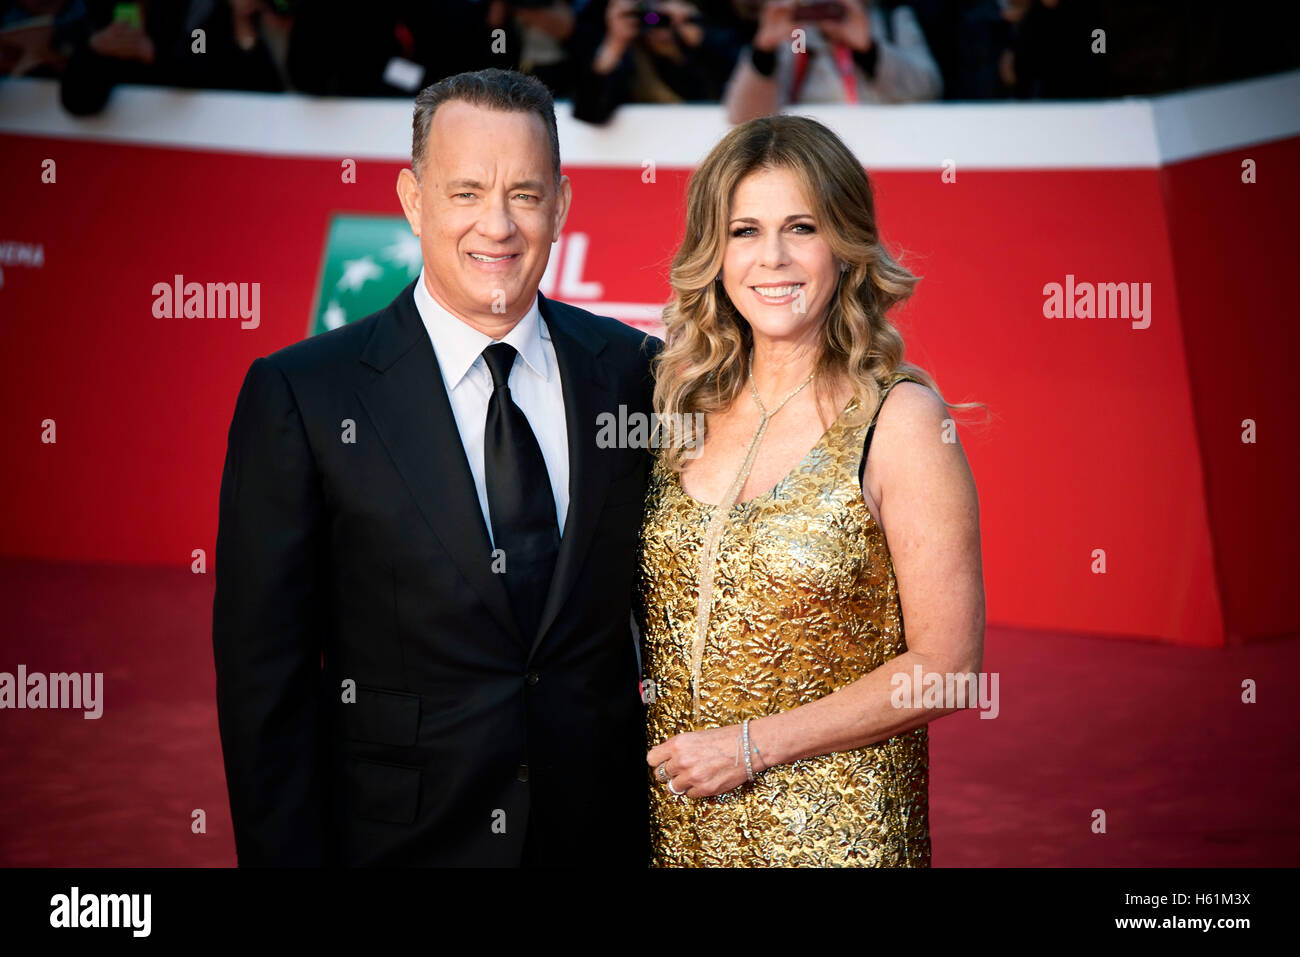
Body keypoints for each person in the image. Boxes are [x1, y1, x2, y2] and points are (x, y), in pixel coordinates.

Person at [213, 68, 657, 867]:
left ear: (561, 204)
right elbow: (263, 687)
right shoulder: (303, 394)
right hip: (399, 845)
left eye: (525, 193)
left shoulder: (634, 373)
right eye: (466, 193)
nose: (499, 224)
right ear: (413, 200)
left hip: (601, 840)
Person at [637, 114, 984, 866]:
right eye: (744, 230)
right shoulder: (679, 408)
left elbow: (948, 668)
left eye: (801, 227)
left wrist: (750, 747)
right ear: (713, 251)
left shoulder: (902, 420)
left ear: (845, 245)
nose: (772, 258)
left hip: (839, 839)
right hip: (676, 835)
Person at [724, 0, 941, 124]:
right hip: (805, 158)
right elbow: (742, 119)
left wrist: (870, 51)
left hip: (885, 154)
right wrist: (764, 52)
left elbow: (929, 89)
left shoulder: (890, 19)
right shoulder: (788, 28)